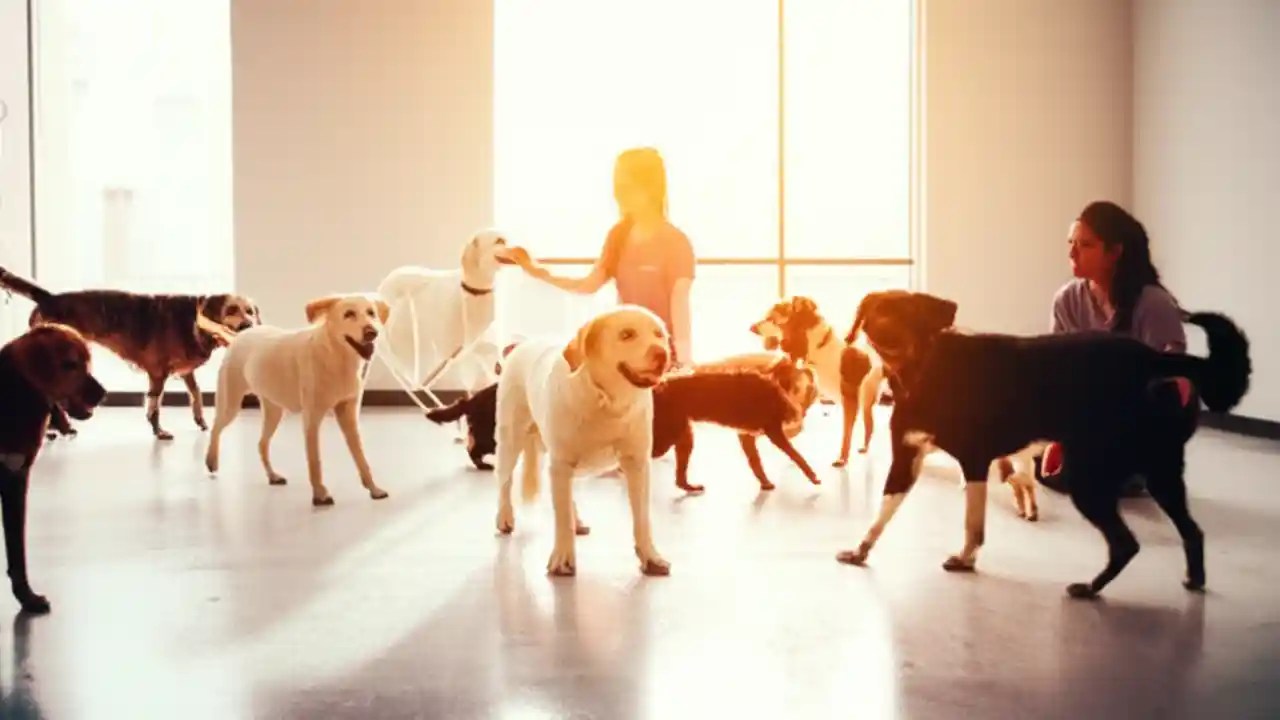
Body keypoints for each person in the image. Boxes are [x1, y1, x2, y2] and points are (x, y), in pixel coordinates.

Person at [1036, 200, 1196, 495]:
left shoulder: (1152, 303)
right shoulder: (1067, 300)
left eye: (1085, 245)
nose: (1071, 253)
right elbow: (1058, 375)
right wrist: (1061, 435)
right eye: (1070, 243)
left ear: (1114, 253)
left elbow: (1177, 384)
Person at [512, 147, 696, 366]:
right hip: (626, 356)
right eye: (617, 186)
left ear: (651, 188)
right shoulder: (619, 235)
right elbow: (587, 285)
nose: (619, 193)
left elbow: (680, 308)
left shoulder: (676, 242)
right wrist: (535, 270)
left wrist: (684, 364)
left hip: (660, 357)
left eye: (627, 186)